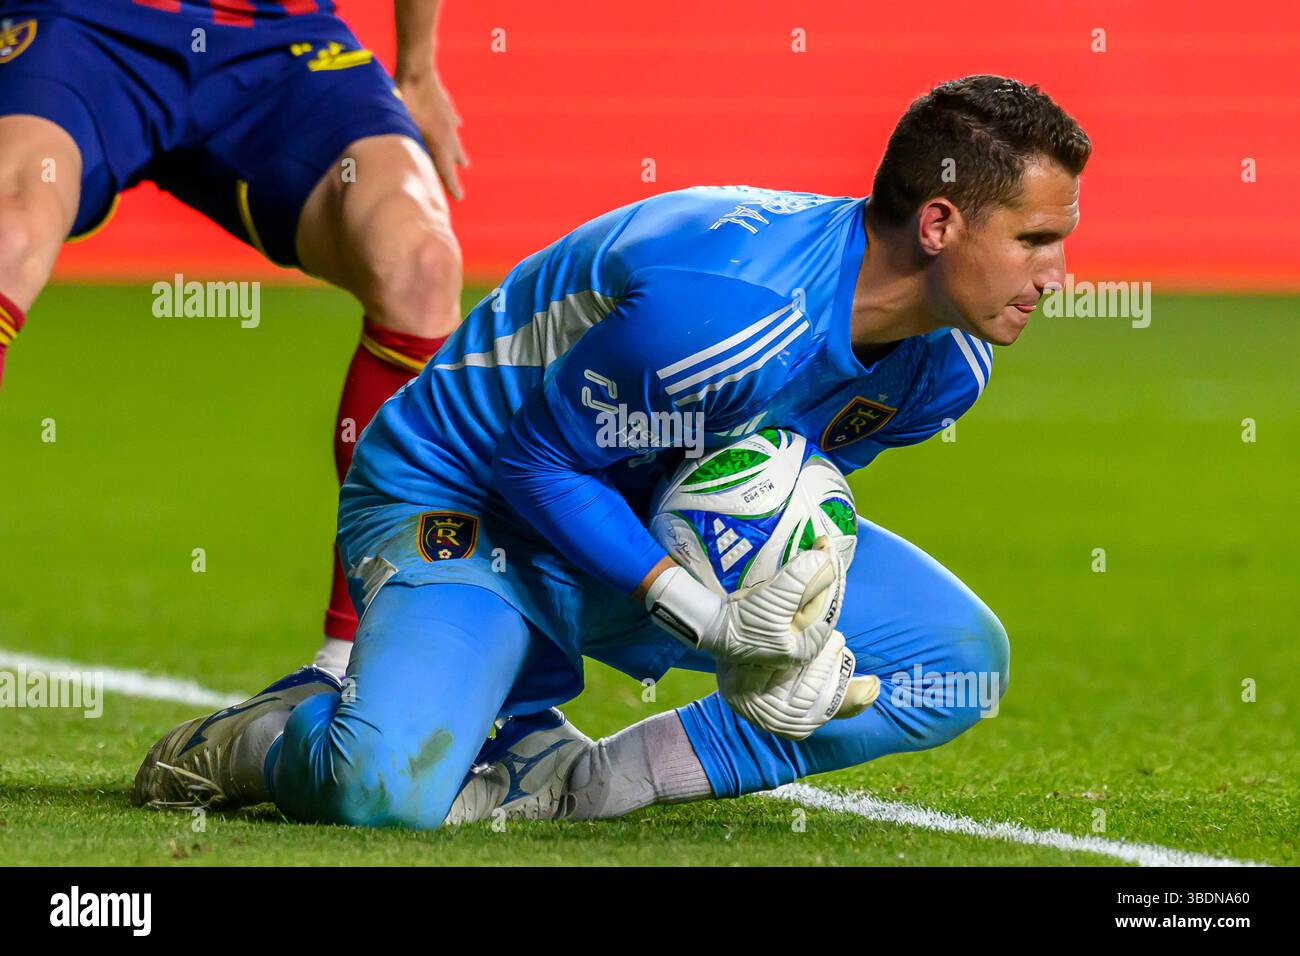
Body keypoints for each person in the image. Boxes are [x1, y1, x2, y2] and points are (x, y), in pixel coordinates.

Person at [133, 75, 1089, 829]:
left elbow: (765, 486)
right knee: (381, 793)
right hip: (466, 503)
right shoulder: (731, 307)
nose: (1058, 276)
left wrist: (796, 627)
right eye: (1036, 241)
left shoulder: (947, 365)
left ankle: (590, 780)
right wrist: (714, 627)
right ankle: (265, 735)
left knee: (956, 662)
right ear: (939, 224)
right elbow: (536, 465)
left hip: (630, 516)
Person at [0, 0, 466, 674]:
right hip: (86, 25)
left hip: (280, 39)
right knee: (10, 224)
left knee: (419, 263)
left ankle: (355, 674)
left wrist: (417, 70)